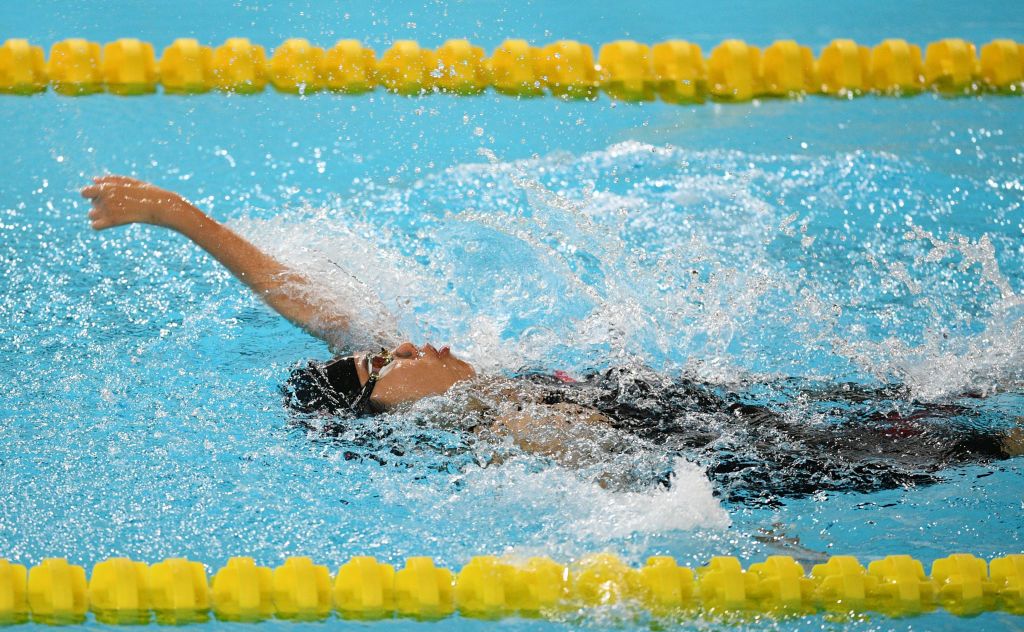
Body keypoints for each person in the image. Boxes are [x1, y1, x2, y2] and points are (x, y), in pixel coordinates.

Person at [80, 176, 1023, 504]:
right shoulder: (507, 433)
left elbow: (313, 305)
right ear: (392, 411)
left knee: (959, 385)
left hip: (749, 408)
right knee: (983, 439)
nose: (405, 347)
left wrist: (174, 214)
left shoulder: (449, 385)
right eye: (387, 365)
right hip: (777, 452)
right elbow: (665, 491)